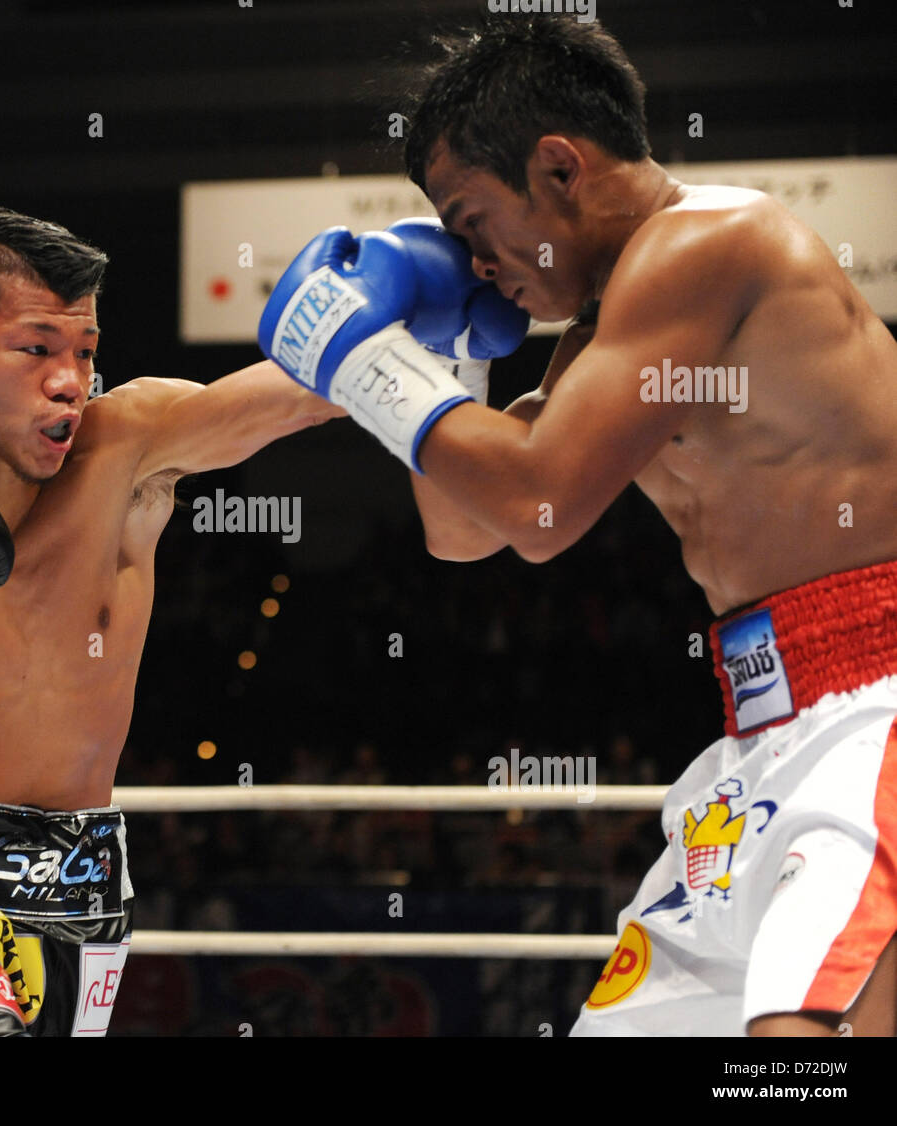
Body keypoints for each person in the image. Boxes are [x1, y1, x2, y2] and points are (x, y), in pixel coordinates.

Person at [258, 16, 897, 1036]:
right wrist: (439, 354)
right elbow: (466, 530)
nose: (474, 263)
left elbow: (534, 504)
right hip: (762, 729)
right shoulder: (609, 330)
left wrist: (359, 362)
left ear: (557, 165)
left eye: (470, 221)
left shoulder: (713, 242)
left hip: (875, 705)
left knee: (795, 1047)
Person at [0, 206, 343, 1036]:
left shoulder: (127, 449)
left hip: (83, 875)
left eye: (84, 351)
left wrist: (430, 323)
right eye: (37, 349)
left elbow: (299, 397)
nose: (70, 380)